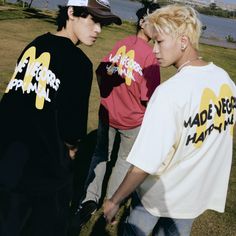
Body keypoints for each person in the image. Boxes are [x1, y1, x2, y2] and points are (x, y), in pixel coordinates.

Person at [103, 4, 236, 236]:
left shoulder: (170, 92)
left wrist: (115, 200)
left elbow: (146, 161)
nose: (154, 50)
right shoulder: (225, 81)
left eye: (160, 41)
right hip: (194, 198)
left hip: (157, 198)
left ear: (183, 41)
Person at [0, 0, 121, 235]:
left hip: (7, 161)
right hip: (42, 176)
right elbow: (72, 134)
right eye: (93, 20)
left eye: (102, 24)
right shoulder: (79, 63)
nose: (98, 29)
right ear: (71, 12)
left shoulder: (35, 44)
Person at [72, 0, 161, 228]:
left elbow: (105, 70)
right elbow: (147, 97)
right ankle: (109, 204)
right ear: (143, 22)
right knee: (120, 160)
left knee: (101, 155)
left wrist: (117, 73)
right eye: (155, 23)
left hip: (109, 113)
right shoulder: (149, 57)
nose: (159, 28)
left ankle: (89, 200)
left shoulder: (121, 45)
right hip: (128, 119)